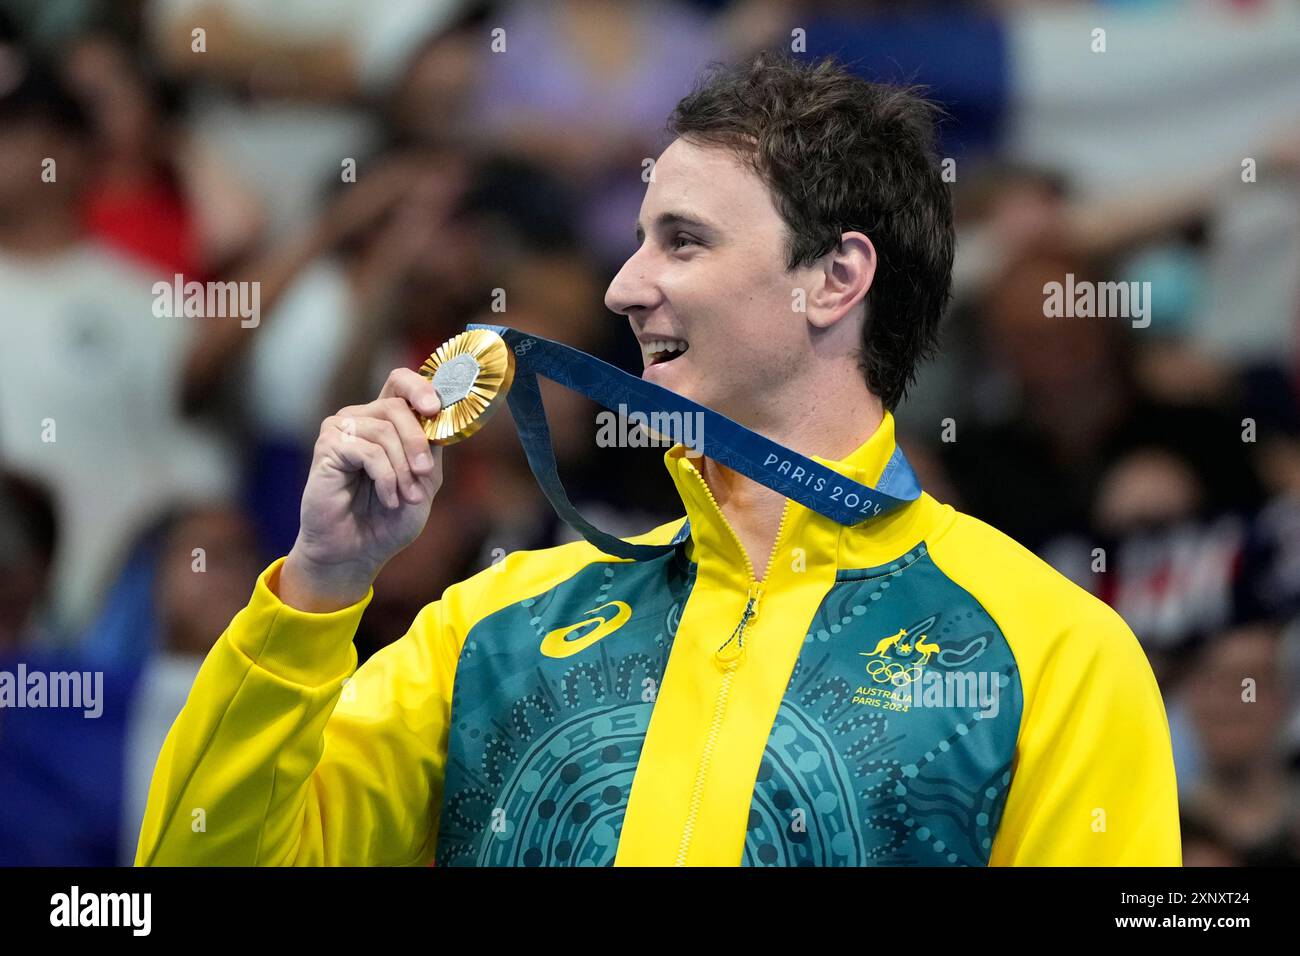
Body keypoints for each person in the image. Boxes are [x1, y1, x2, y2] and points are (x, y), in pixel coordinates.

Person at [136, 53, 1180, 867]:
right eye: (637, 239)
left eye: (682, 240)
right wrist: (319, 590)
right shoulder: (491, 630)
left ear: (833, 277)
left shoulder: (1050, 656)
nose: (623, 286)